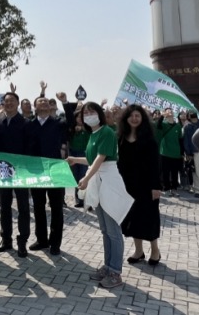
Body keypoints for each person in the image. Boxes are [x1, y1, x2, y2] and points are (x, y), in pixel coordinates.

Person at [67, 100, 126, 289]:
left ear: (99, 113)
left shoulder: (107, 132)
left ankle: (115, 272)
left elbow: (100, 160)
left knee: (113, 231)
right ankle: (108, 267)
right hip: (98, 181)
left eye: (92, 111)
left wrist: (85, 179)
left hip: (108, 181)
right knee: (105, 230)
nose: (89, 115)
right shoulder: (92, 134)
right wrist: (75, 159)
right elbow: (92, 159)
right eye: (85, 113)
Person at [0, 85, 33, 258]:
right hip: (3, 170)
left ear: (17, 103)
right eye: (6, 101)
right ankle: (6, 239)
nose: (9, 104)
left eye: (12, 101)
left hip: (21, 171)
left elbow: (30, 146)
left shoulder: (26, 123)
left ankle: (22, 242)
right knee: (4, 206)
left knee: (23, 207)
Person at [117, 104, 162, 267]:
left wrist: (156, 187)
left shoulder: (149, 140)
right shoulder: (121, 138)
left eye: (138, 116)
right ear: (126, 119)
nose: (134, 119)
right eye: (131, 116)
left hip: (147, 185)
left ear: (142, 119)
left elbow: (155, 165)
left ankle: (155, 250)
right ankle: (139, 251)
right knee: (132, 219)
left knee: (149, 218)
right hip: (127, 186)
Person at [28, 92, 68, 255]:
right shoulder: (29, 125)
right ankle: (42, 239)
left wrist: (64, 102)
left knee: (57, 207)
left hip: (55, 170)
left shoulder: (58, 123)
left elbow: (72, 121)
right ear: (35, 107)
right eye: (40, 101)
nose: (44, 103)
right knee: (38, 207)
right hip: (36, 171)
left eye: (46, 101)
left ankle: (55, 242)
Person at [155, 108, 183, 196]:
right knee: (165, 172)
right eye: (167, 110)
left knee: (174, 172)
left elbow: (180, 140)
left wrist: (182, 153)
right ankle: (166, 188)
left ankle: (174, 188)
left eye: (171, 110)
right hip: (165, 152)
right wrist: (162, 116)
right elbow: (158, 125)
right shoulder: (163, 124)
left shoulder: (178, 126)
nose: (170, 111)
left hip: (175, 153)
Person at [183, 112, 199, 198]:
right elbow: (186, 140)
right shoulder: (188, 127)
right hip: (195, 151)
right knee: (196, 171)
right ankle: (198, 190)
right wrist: (188, 153)